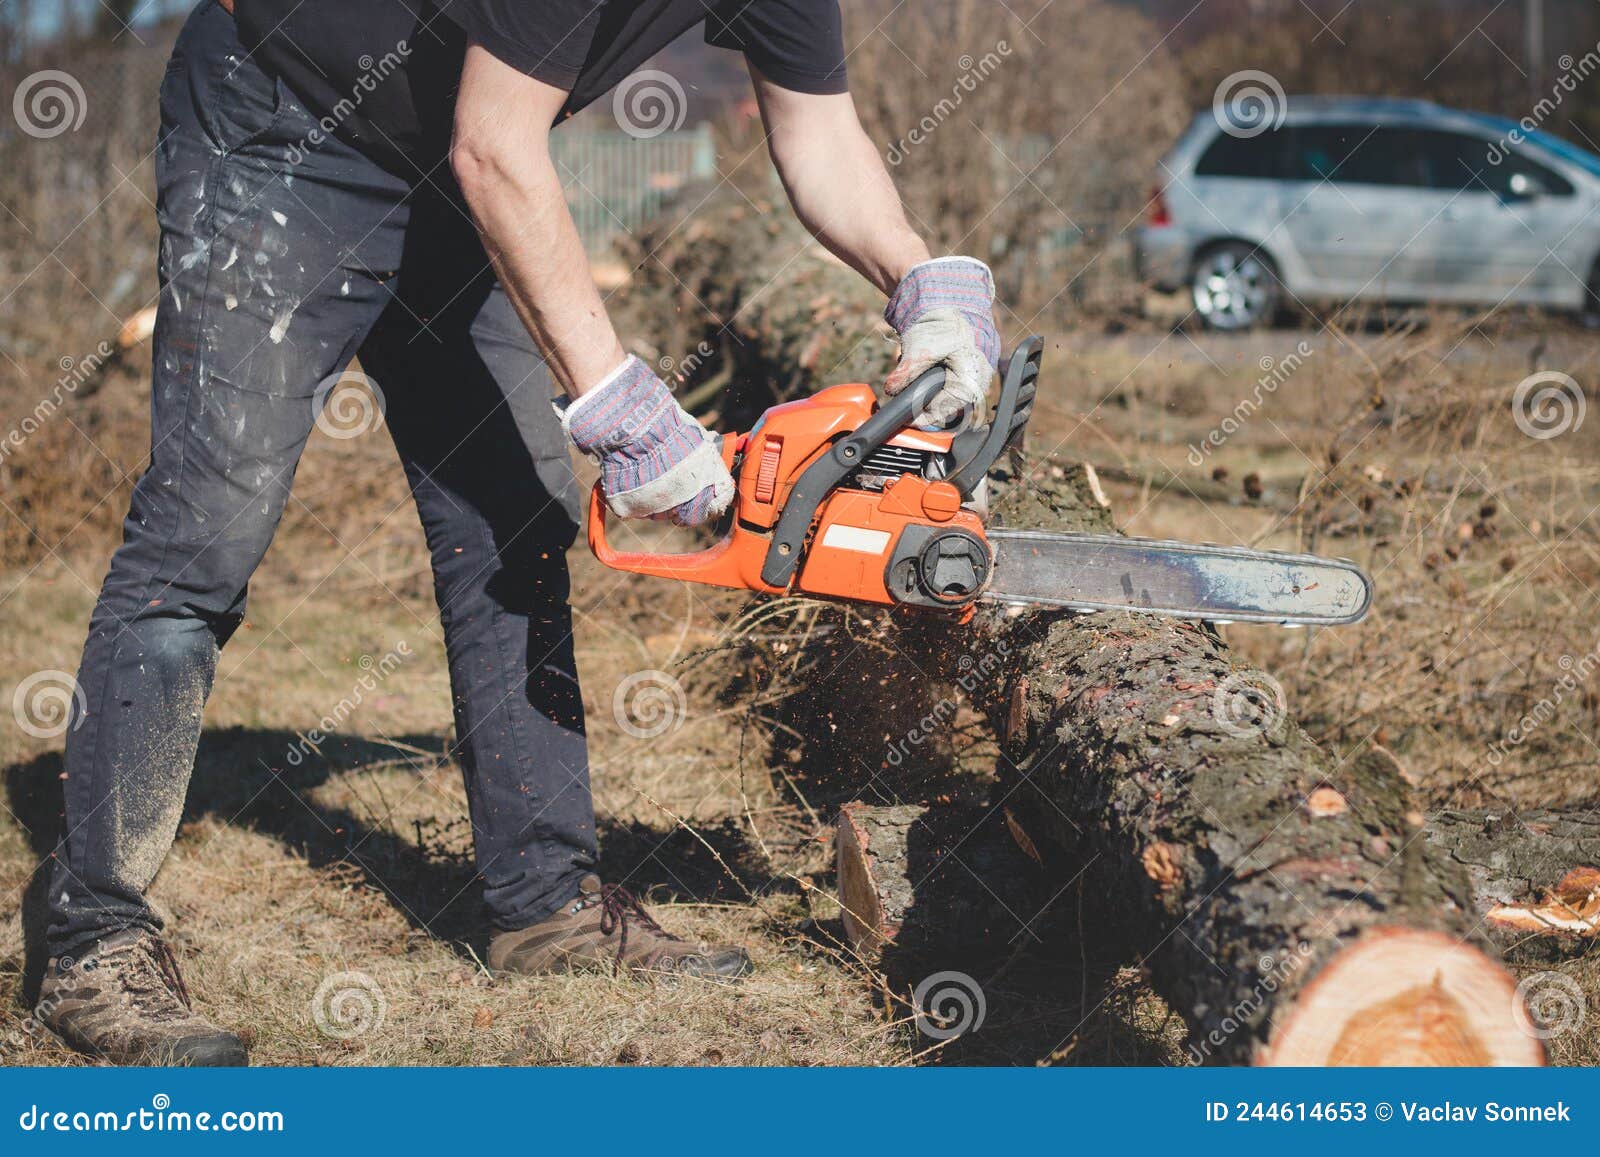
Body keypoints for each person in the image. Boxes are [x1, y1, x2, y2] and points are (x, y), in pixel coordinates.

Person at [36, 0, 1001, 1066]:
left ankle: (547, 904)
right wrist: (620, 404)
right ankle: (92, 936)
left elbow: (818, 131)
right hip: (282, 127)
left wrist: (924, 283)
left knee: (516, 513)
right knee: (205, 530)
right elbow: (497, 146)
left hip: (447, 163)